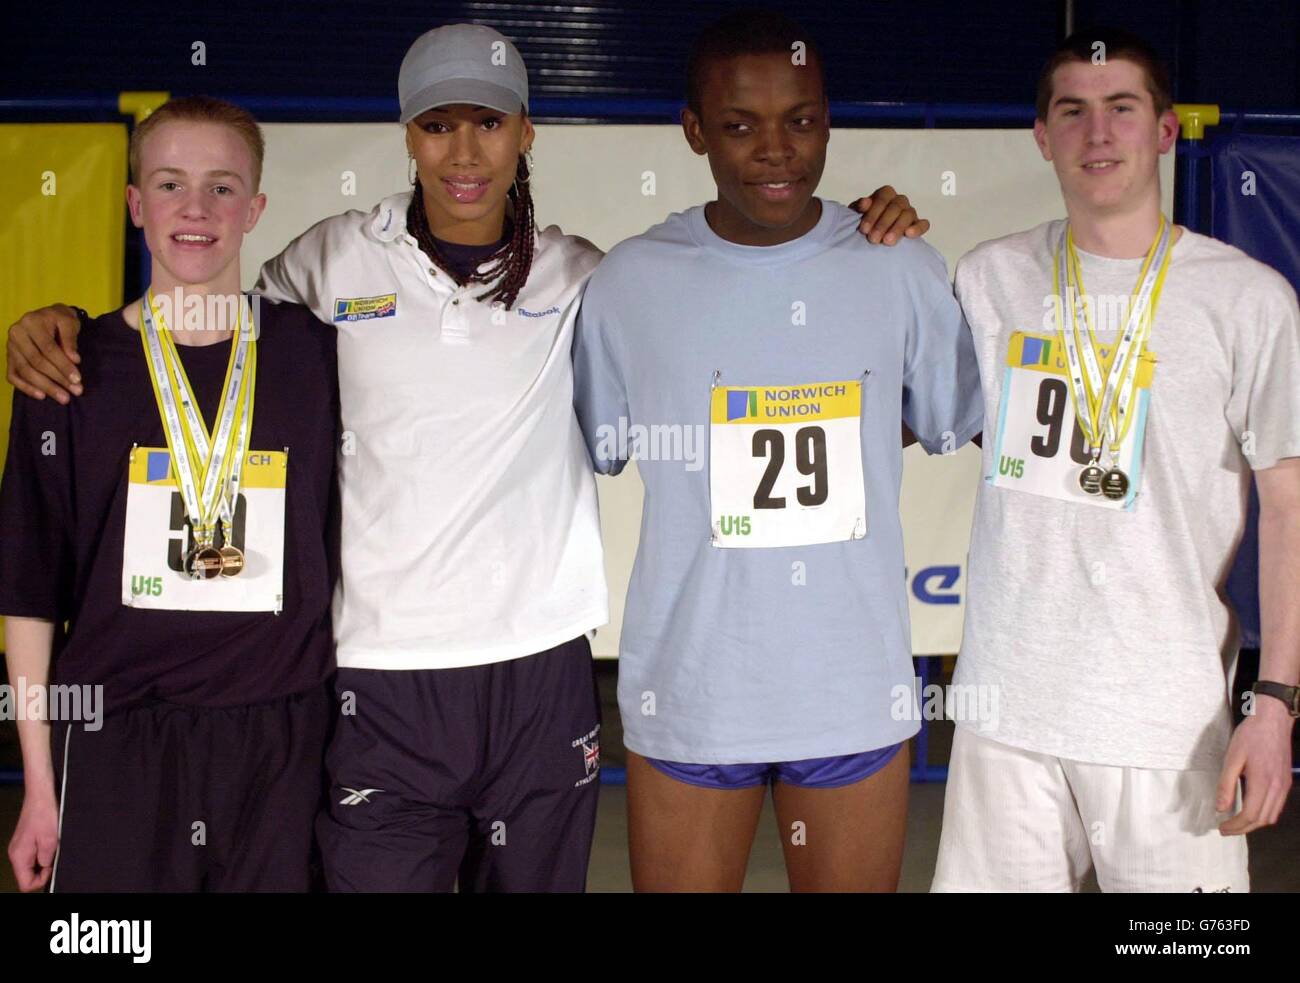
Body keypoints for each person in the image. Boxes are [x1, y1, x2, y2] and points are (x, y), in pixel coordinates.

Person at [4, 24, 928, 892]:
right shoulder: (330, 264)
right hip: (379, 681)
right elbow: (204, 312)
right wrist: (66, 326)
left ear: (525, 132)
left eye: (487, 123)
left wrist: (836, 229)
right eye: (437, 126)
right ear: (407, 137)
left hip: (539, 675)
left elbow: (734, 282)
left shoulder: (587, 277)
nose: (463, 152)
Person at [571, 10, 982, 892]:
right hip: (688, 690)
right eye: (740, 125)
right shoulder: (630, 281)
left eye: (800, 120)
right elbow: (602, 442)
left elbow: (947, 418)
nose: (776, 150)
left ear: (829, 119)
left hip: (848, 689)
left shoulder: (898, 265)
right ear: (693, 133)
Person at [932, 28, 1299, 893]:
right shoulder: (988, 280)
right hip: (1005, 717)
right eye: (1074, 112)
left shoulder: (1247, 300)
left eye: (1122, 110)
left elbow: (1289, 507)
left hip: (1168, 728)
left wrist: (1275, 705)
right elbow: (922, 410)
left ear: (1165, 132)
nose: (1098, 135)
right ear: (1042, 136)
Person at [1, 96, 339, 892]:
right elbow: (28, 593)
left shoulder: (314, 355)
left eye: (223, 187)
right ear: (133, 204)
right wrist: (39, 787)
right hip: (118, 735)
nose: (196, 208)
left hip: (284, 735)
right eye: (169, 184)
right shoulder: (68, 369)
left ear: (256, 207)